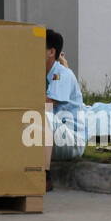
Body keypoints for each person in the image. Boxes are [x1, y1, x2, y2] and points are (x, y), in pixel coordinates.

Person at [44, 29, 86, 162]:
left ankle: (45, 175)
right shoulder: (47, 75)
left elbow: (47, 104)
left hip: (71, 140)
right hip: (58, 135)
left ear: (51, 52)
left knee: (37, 115)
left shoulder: (60, 74)